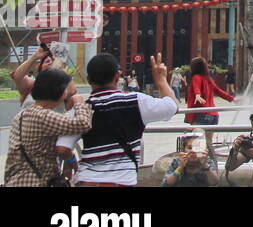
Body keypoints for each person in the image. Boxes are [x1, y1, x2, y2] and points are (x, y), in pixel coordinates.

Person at [56, 53, 179, 187]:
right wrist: (161, 80)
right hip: (122, 182)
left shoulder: (82, 108)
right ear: (117, 76)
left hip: (88, 181)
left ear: (89, 79)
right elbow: (172, 106)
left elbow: (63, 148)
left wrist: (71, 162)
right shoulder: (136, 101)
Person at [4, 68, 92, 187]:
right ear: (58, 91)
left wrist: (70, 160)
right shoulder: (44, 116)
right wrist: (80, 104)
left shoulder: (21, 115)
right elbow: (83, 124)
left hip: (16, 180)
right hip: (34, 182)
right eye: (66, 88)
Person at [187, 56, 234, 125]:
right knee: (208, 135)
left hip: (201, 114)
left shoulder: (196, 77)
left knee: (196, 134)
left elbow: (196, 87)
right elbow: (218, 91)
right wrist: (232, 99)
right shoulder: (209, 79)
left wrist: (197, 95)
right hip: (214, 115)